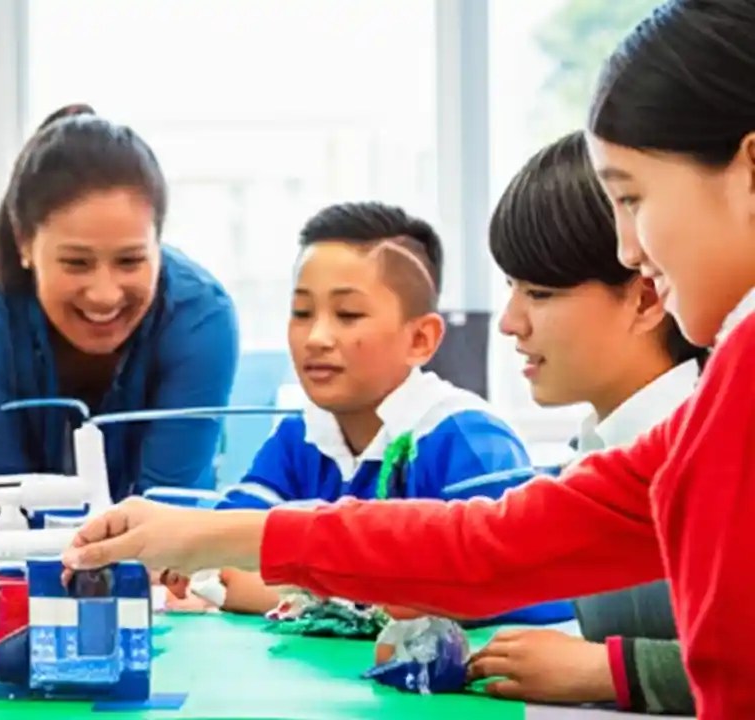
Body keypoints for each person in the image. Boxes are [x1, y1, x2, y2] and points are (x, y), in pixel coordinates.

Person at [60, 2, 755, 717]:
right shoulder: (720, 396)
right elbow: (495, 546)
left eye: (633, 198)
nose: (629, 248)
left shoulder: (472, 430)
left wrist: (616, 671)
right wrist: (211, 536)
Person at [184, 202, 549, 625]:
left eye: (348, 315)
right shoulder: (299, 436)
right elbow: (222, 550)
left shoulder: (465, 440)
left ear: (420, 339)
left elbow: (519, 585)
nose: (316, 337)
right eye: (302, 313)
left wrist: (292, 591)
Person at [473, 130, 705, 714]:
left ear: (647, 298)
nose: (509, 322)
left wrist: (613, 671)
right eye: (510, 288)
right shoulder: (595, 447)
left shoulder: (717, 448)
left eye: (541, 292)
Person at [0, 104, 239, 503]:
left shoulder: (202, 319)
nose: (105, 293)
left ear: (158, 242)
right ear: (25, 243)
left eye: (130, 261)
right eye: (76, 263)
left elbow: (169, 507)